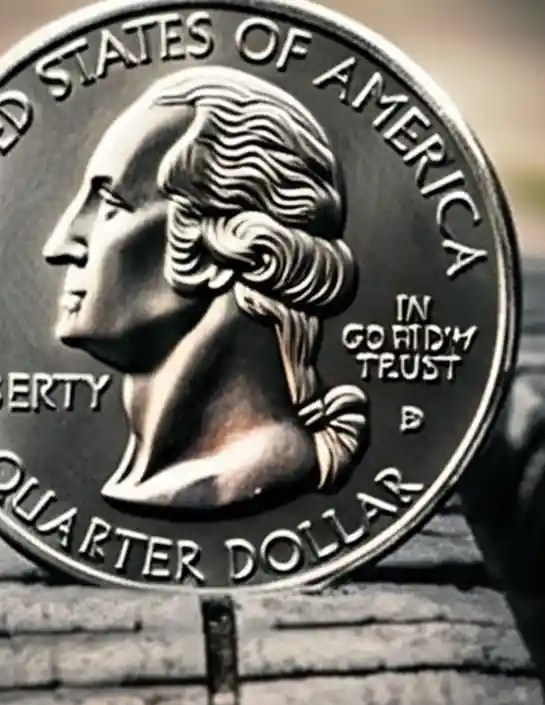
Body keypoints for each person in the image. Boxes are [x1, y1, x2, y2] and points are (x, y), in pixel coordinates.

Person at [42, 66, 367, 513]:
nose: (59, 244)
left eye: (112, 205)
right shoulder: (155, 476)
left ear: (221, 246)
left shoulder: (249, 474)